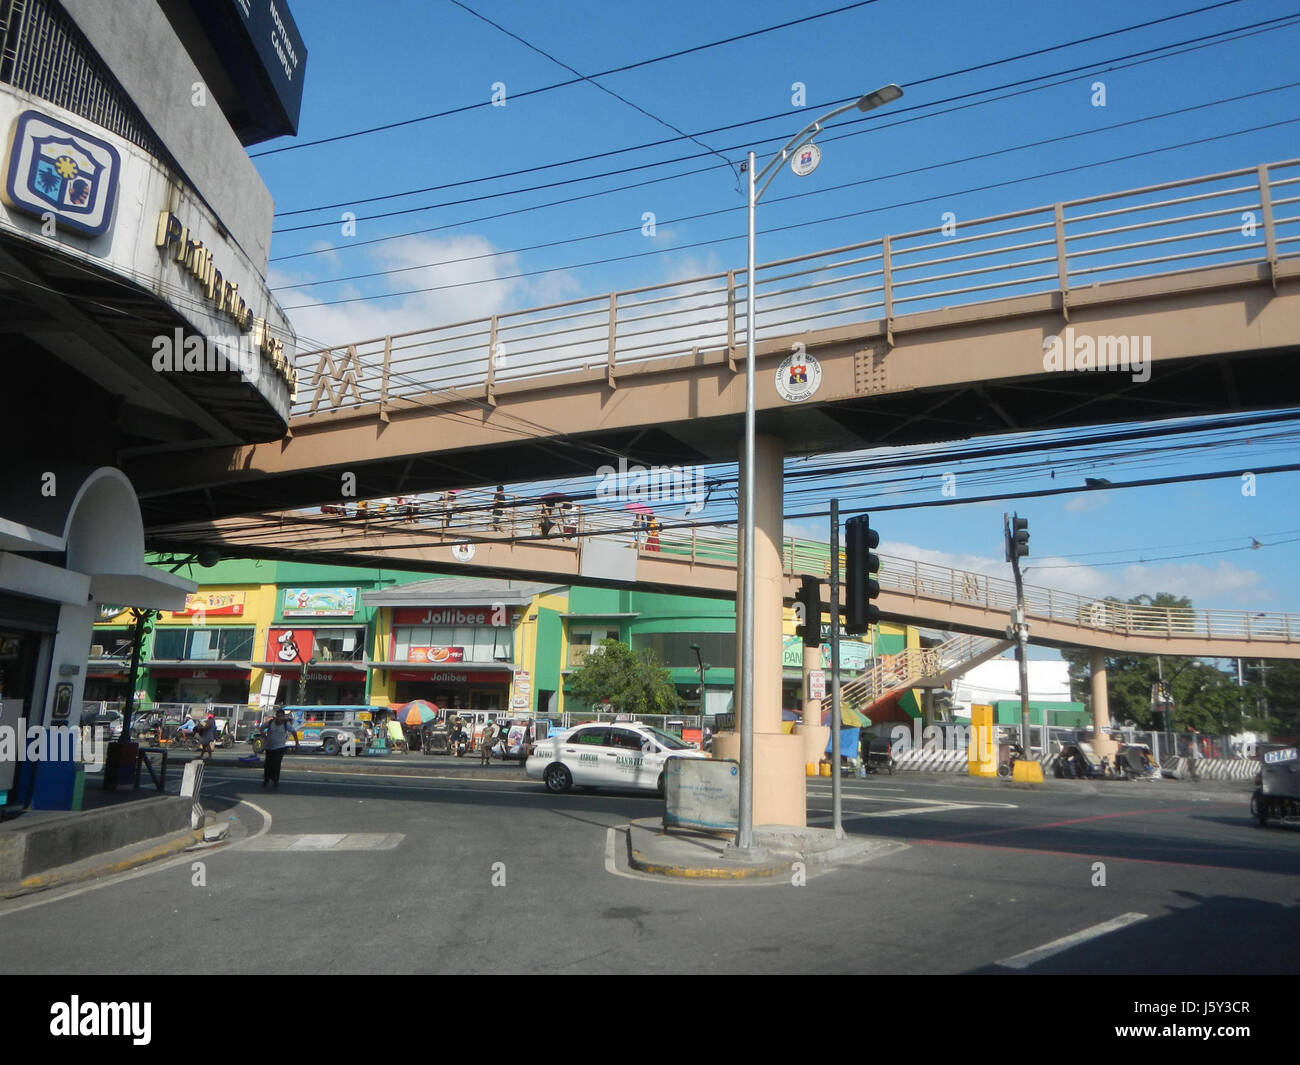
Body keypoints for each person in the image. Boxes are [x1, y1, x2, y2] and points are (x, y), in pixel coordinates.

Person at [262, 709, 300, 788]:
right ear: (276, 716)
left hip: (280, 748)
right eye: (278, 716)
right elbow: (261, 728)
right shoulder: (270, 722)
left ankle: (275, 780)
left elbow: (293, 732)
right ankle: (266, 780)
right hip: (269, 747)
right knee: (268, 764)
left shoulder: (286, 724)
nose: (279, 718)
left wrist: (297, 742)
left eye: (281, 716)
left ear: (283, 717)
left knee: (276, 764)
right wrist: (264, 736)